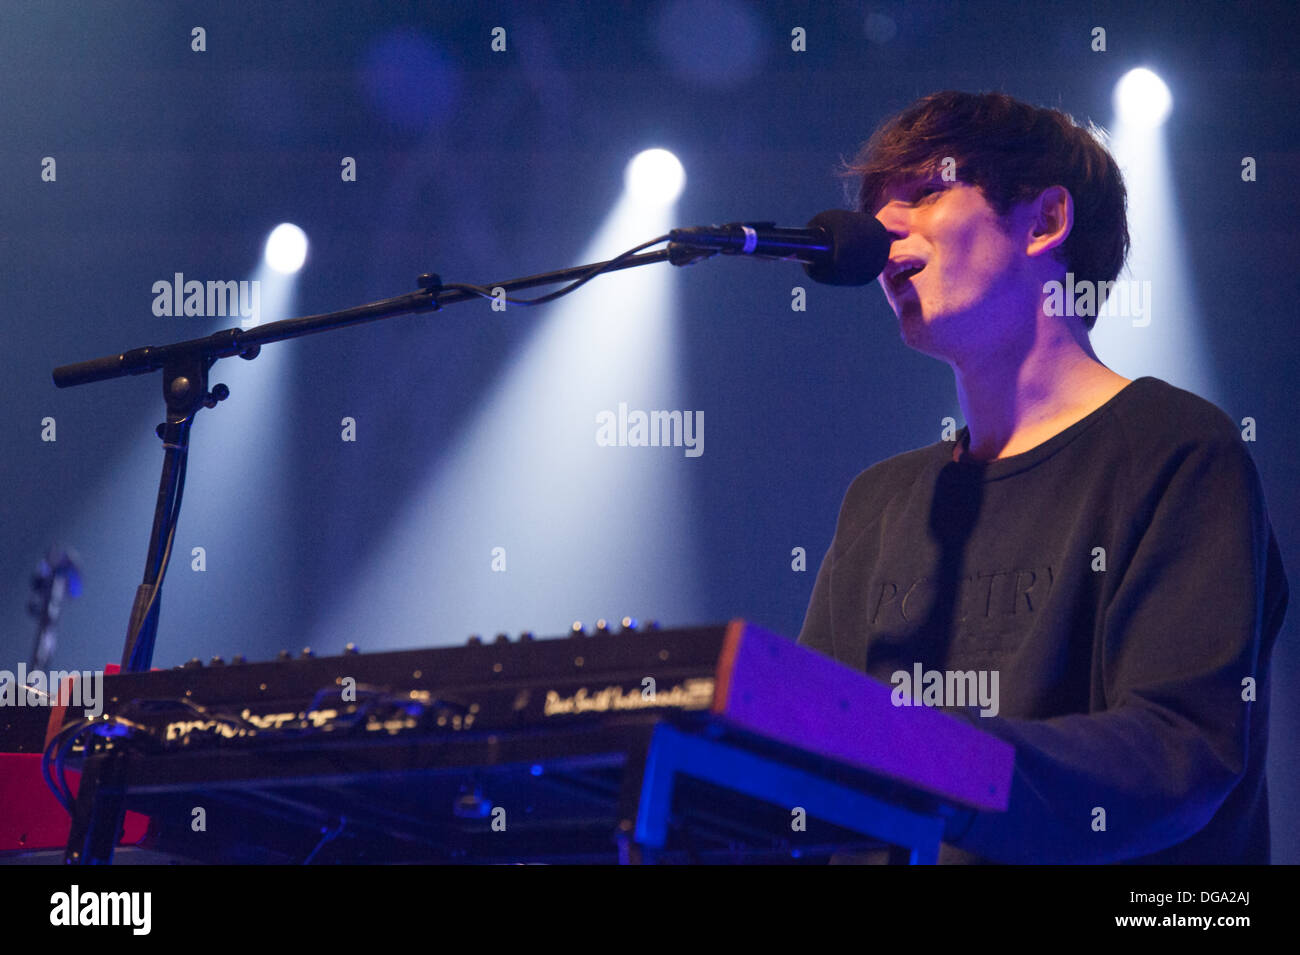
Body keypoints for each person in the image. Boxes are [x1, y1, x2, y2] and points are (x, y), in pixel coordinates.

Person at [797, 90, 1289, 863]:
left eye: (924, 193)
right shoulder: (879, 501)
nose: (882, 228)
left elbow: (1179, 753)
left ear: (1048, 221)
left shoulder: (1179, 447)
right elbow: (805, 758)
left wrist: (926, 755)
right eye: (874, 206)